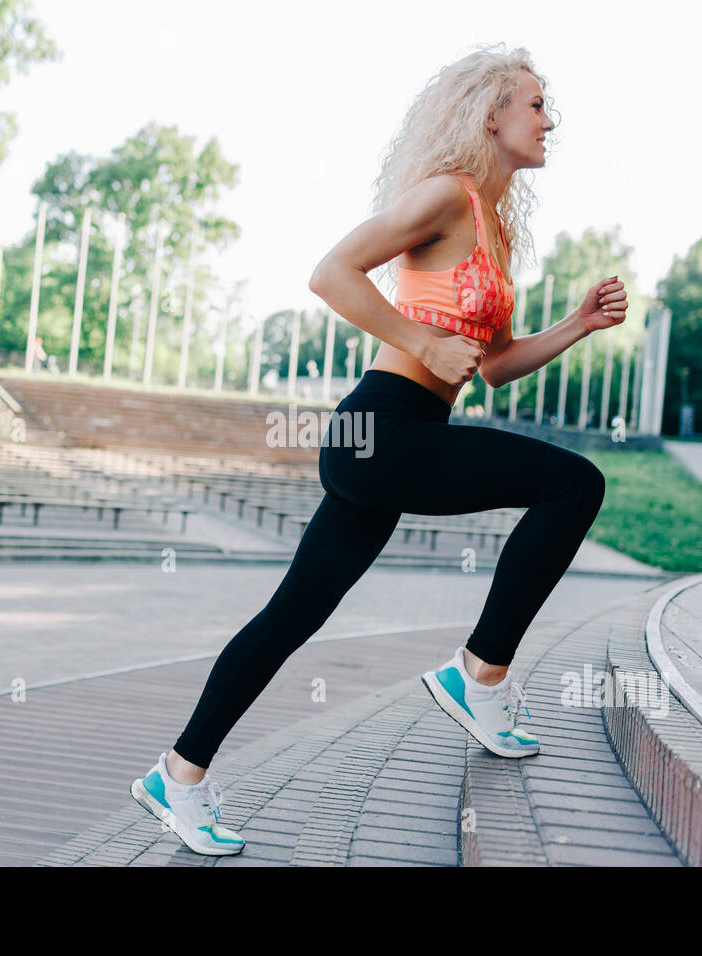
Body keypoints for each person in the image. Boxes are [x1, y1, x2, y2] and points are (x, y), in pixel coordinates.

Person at [130, 45, 627, 856]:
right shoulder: (444, 196)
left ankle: (177, 776)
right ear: (491, 114)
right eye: (536, 104)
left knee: (292, 615)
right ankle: (482, 675)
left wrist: (575, 326)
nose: (549, 119)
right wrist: (422, 343)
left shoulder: (494, 231)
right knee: (575, 485)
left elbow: (495, 366)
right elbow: (331, 273)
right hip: (378, 429)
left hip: (406, 438)